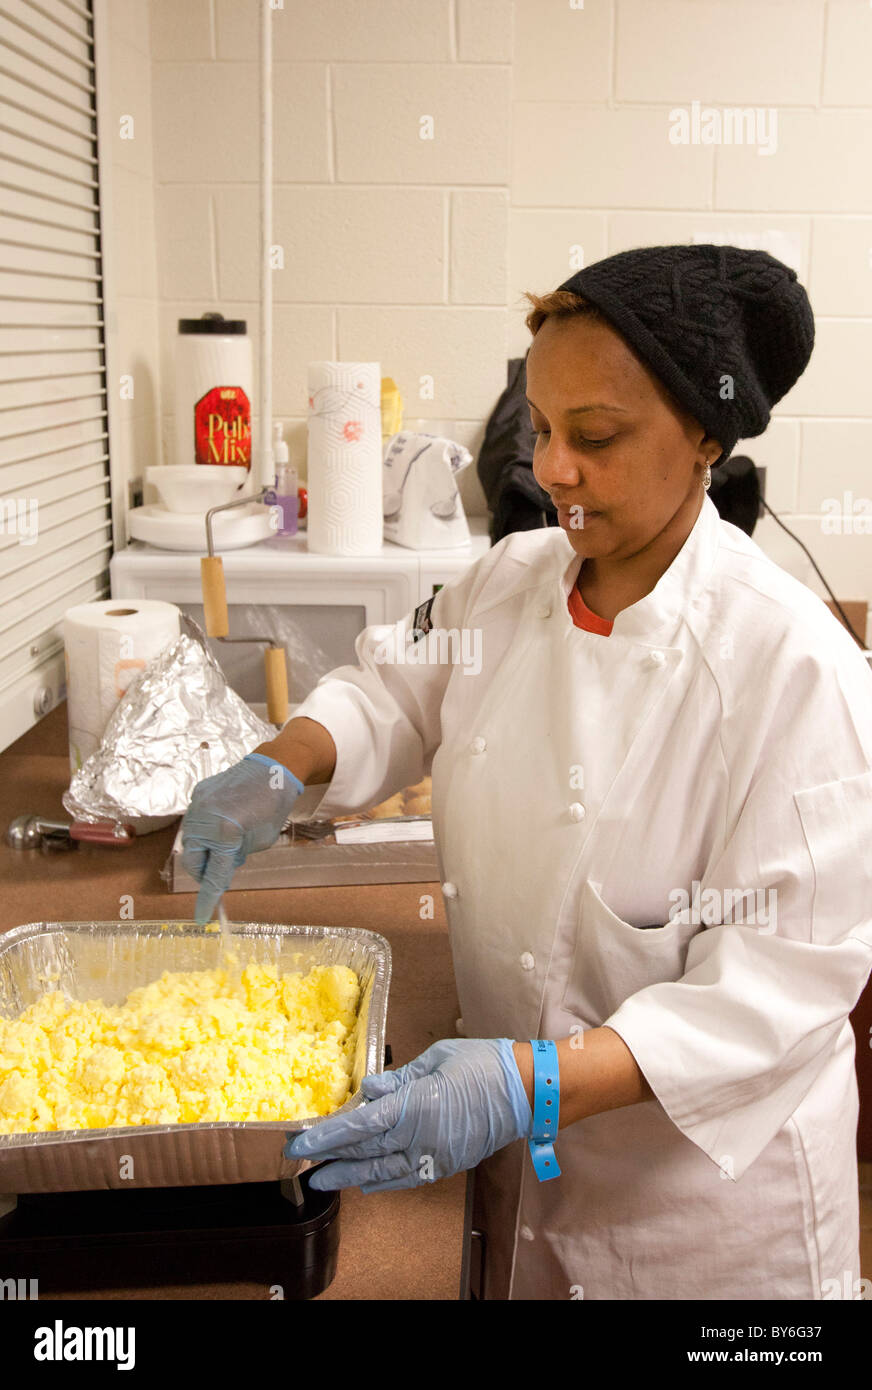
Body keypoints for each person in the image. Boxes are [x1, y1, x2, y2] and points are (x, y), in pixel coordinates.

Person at [181, 245, 872, 1301]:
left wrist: (530, 1082)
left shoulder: (794, 671)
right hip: (518, 1175)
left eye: (593, 436)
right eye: (542, 428)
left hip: (698, 1231)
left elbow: (773, 994)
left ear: (704, 435)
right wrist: (281, 765)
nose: (550, 467)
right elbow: (394, 693)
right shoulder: (510, 581)